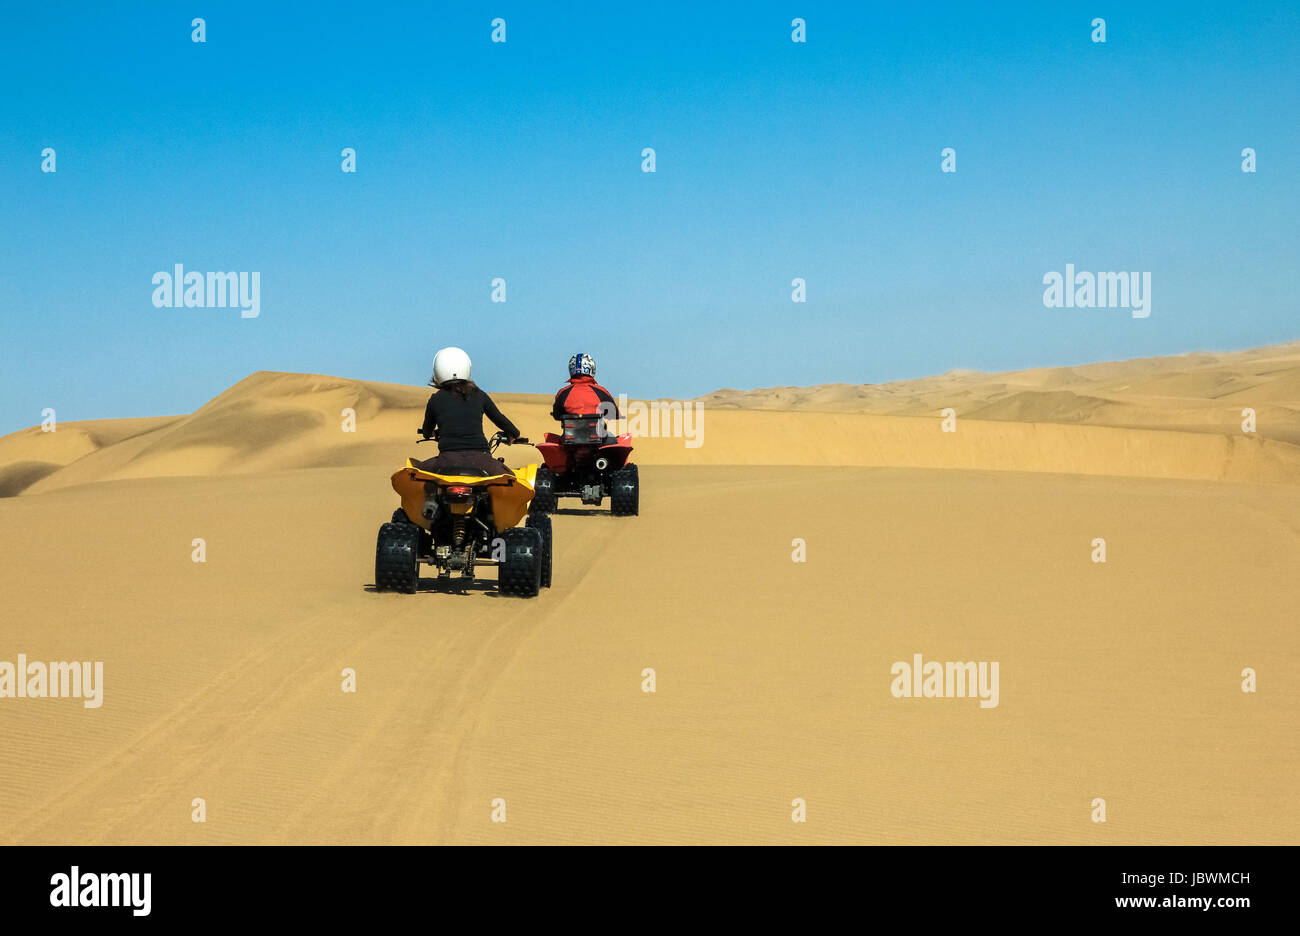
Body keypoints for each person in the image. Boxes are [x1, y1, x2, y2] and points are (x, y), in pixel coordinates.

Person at [418, 347, 521, 475]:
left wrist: (430, 434)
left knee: (416, 474)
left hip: (446, 461)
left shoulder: (435, 399)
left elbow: (427, 431)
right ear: (467, 368)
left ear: (437, 371)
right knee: (511, 480)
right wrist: (514, 434)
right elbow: (500, 419)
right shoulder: (479, 395)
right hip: (482, 461)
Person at [551, 353, 620, 432]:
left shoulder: (563, 393)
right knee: (616, 439)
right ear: (591, 369)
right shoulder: (601, 392)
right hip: (598, 438)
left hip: (569, 440)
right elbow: (614, 414)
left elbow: (556, 415)